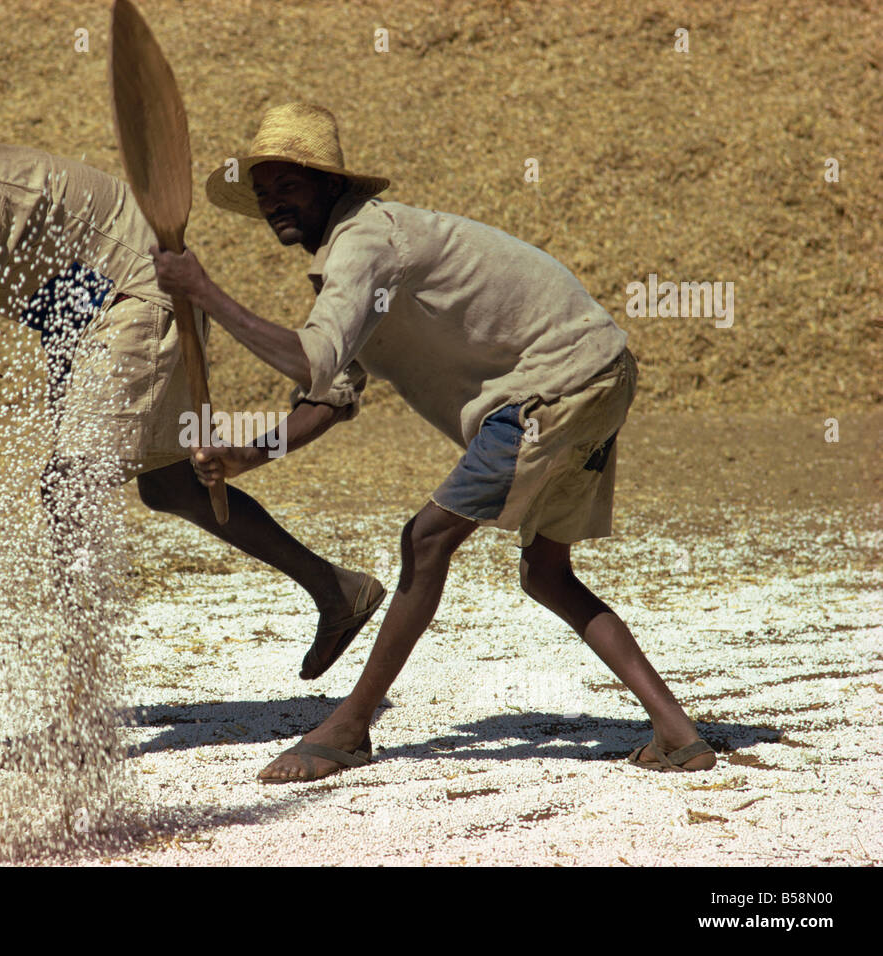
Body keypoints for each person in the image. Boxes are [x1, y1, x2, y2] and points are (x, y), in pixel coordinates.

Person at [152, 103, 717, 782]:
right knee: (547, 573)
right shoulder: (354, 262)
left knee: (424, 539)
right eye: (264, 191)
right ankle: (678, 733)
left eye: (289, 186)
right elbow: (329, 396)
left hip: (555, 386)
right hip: (593, 376)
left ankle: (348, 728)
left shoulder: (366, 241)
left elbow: (309, 361)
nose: (274, 204)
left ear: (332, 185)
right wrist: (250, 453)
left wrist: (204, 291)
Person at [0, 72, 385, 679]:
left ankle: (82, 700)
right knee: (170, 486)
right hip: (86, 323)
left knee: (70, 487)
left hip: (134, 298)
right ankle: (336, 590)